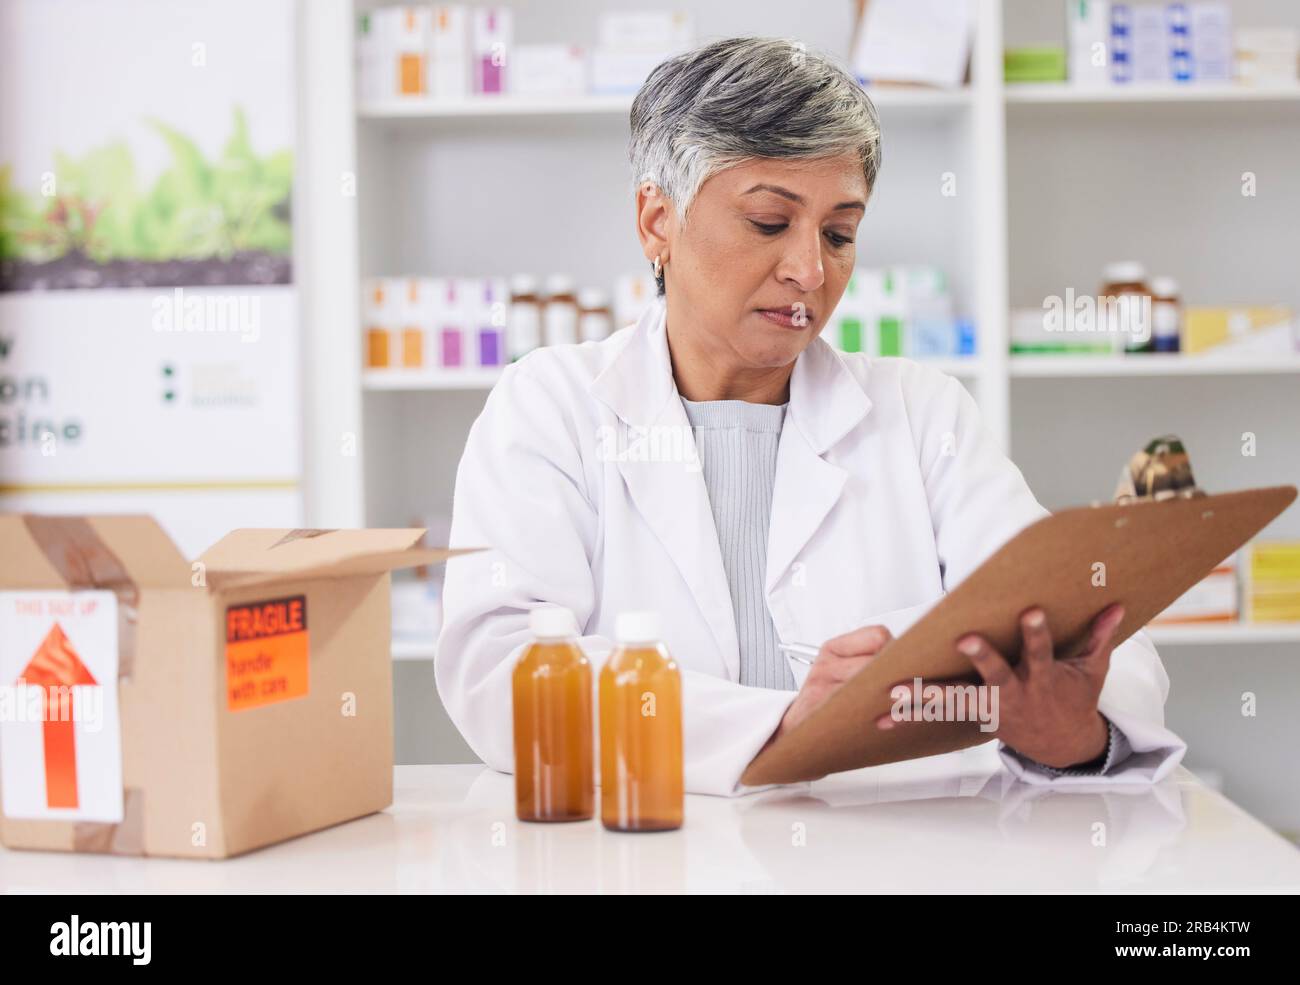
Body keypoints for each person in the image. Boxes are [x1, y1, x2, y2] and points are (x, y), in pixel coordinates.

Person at [436, 37, 1185, 795]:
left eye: (839, 233)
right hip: (647, 856)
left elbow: (1092, 632)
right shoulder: (551, 406)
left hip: (895, 856)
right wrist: (782, 727)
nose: (810, 270)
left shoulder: (923, 414)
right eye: (768, 222)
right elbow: (503, 670)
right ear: (658, 221)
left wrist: (1073, 735)